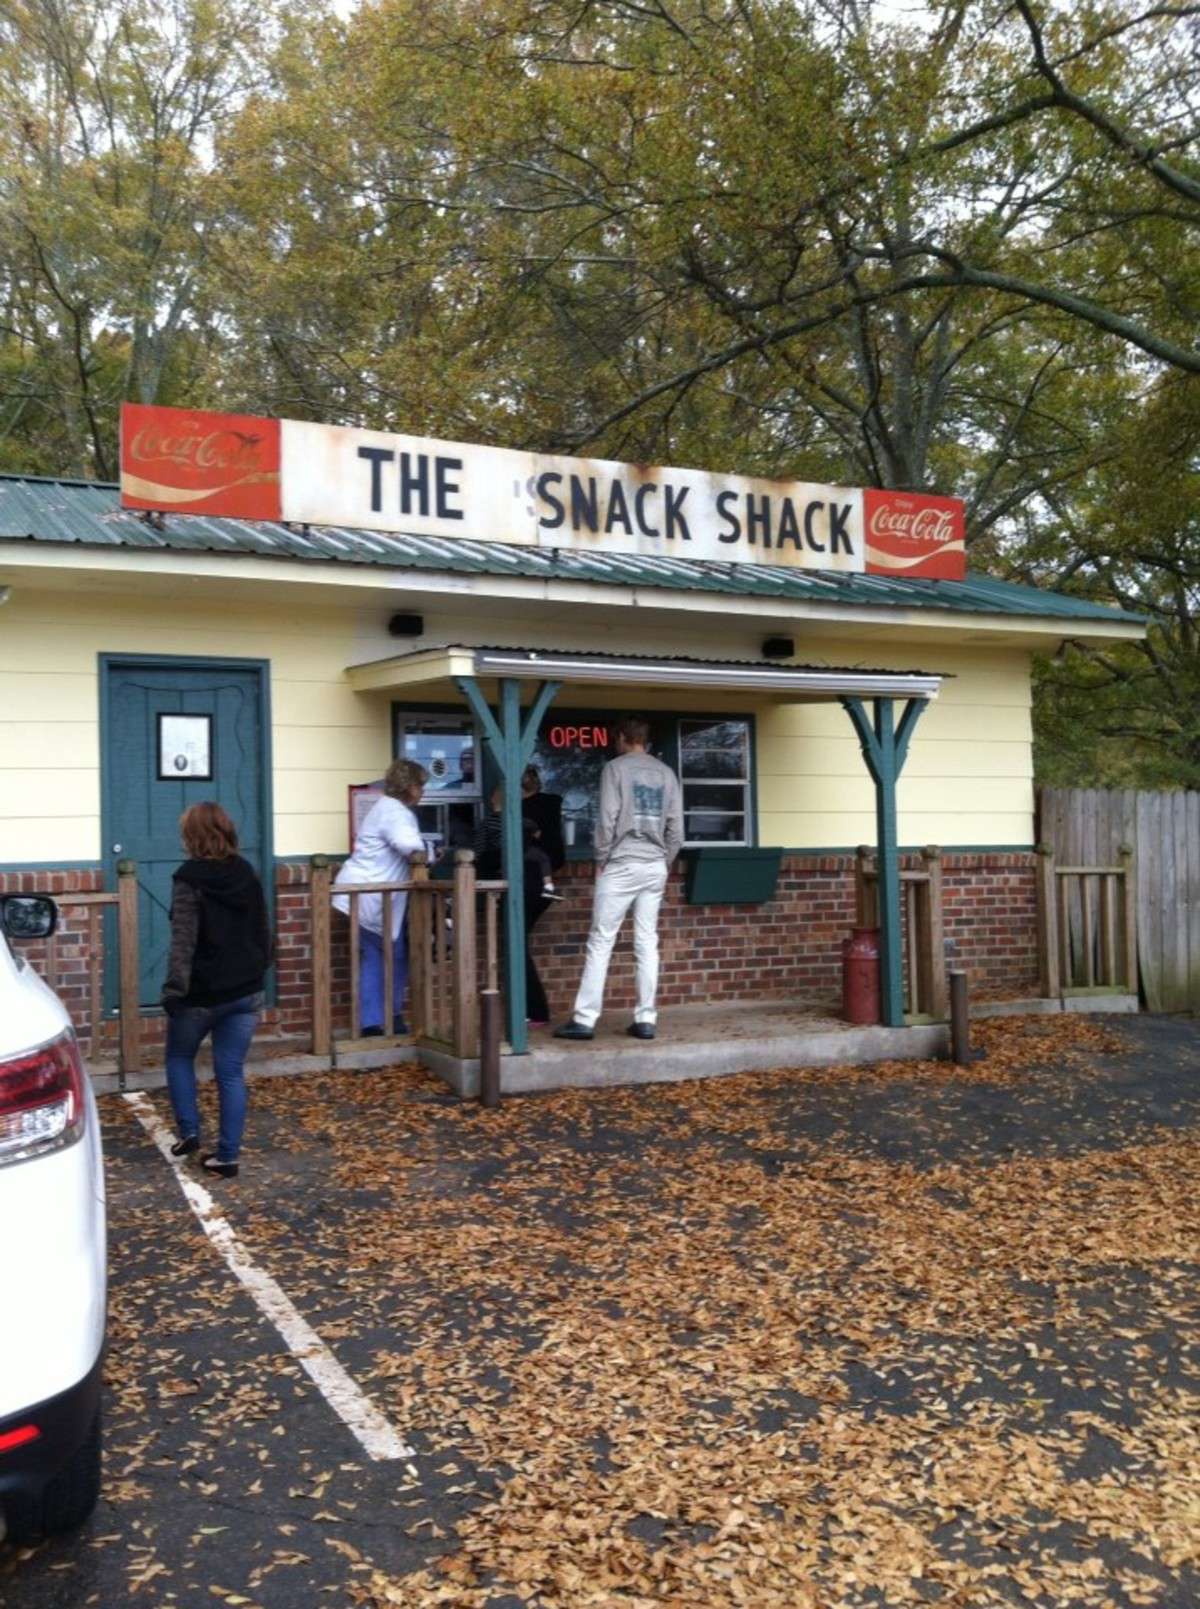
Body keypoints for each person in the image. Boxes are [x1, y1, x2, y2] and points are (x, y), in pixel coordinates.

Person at [161, 801, 272, 1180]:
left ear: (191, 836)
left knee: (179, 1056)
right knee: (230, 1073)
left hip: (201, 994)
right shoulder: (246, 872)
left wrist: (174, 991)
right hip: (244, 992)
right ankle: (227, 1156)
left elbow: (183, 941)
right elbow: (262, 929)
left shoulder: (188, 877)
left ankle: (189, 1132)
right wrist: (258, 970)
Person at [554, 717, 683, 1042]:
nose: (615, 745)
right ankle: (645, 1019)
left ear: (624, 738)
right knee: (646, 942)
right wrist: (663, 862)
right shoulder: (667, 774)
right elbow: (676, 830)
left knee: (601, 940)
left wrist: (601, 859)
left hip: (622, 862)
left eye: (616, 740)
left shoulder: (615, 769)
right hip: (654, 864)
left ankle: (585, 1020)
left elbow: (607, 818)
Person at [334, 758, 428, 1037]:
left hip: (363, 894)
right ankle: (383, 1019)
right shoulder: (396, 812)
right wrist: (430, 854)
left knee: (379, 954)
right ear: (410, 787)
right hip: (371, 897)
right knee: (388, 955)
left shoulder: (384, 808)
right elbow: (410, 846)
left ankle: (380, 1019)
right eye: (421, 786)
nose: (423, 792)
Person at [474, 785, 556, 1026]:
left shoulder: (489, 823)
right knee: (518, 947)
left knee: (516, 948)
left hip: (519, 891)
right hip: (539, 890)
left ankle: (534, 1011)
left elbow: (479, 856)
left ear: (493, 799)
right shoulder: (524, 823)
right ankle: (532, 1010)